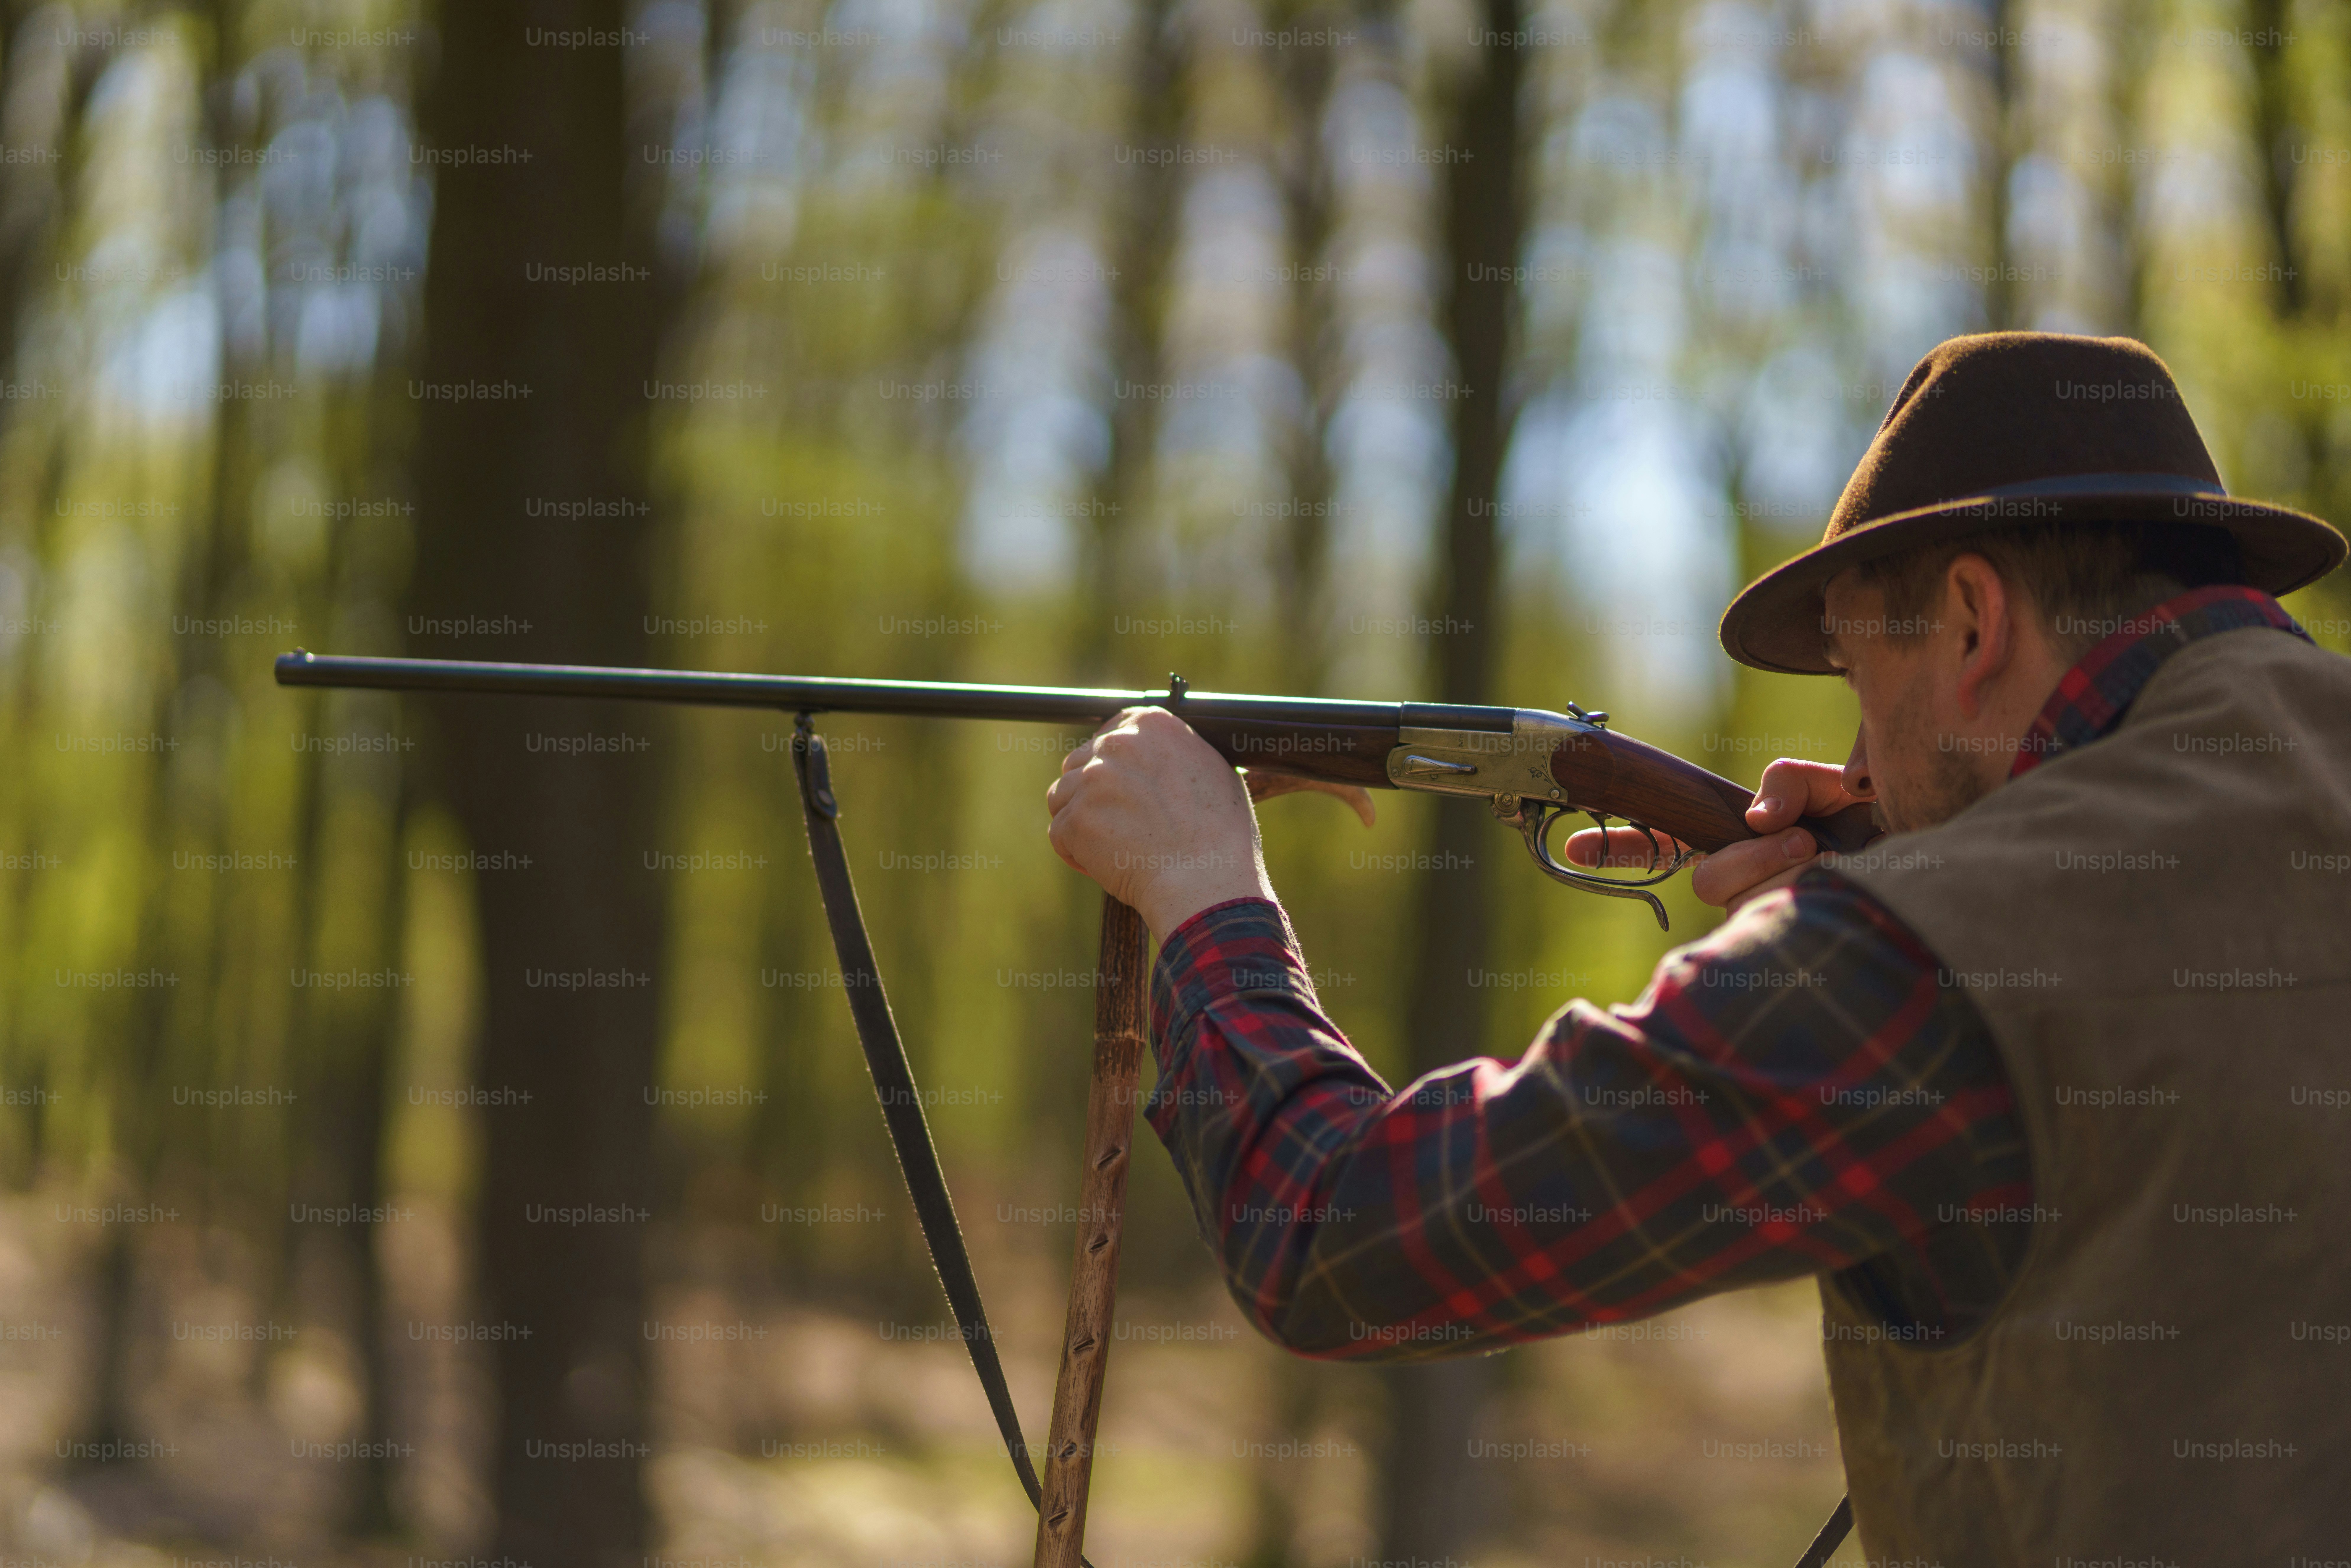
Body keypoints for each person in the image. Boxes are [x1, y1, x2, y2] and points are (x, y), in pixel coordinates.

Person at [1041, 332, 2351, 1563]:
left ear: (1968, 622)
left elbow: (1328, 1233)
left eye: (1854, 679)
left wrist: (1203, 892)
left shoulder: (1911, 963)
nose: (1851, 761)